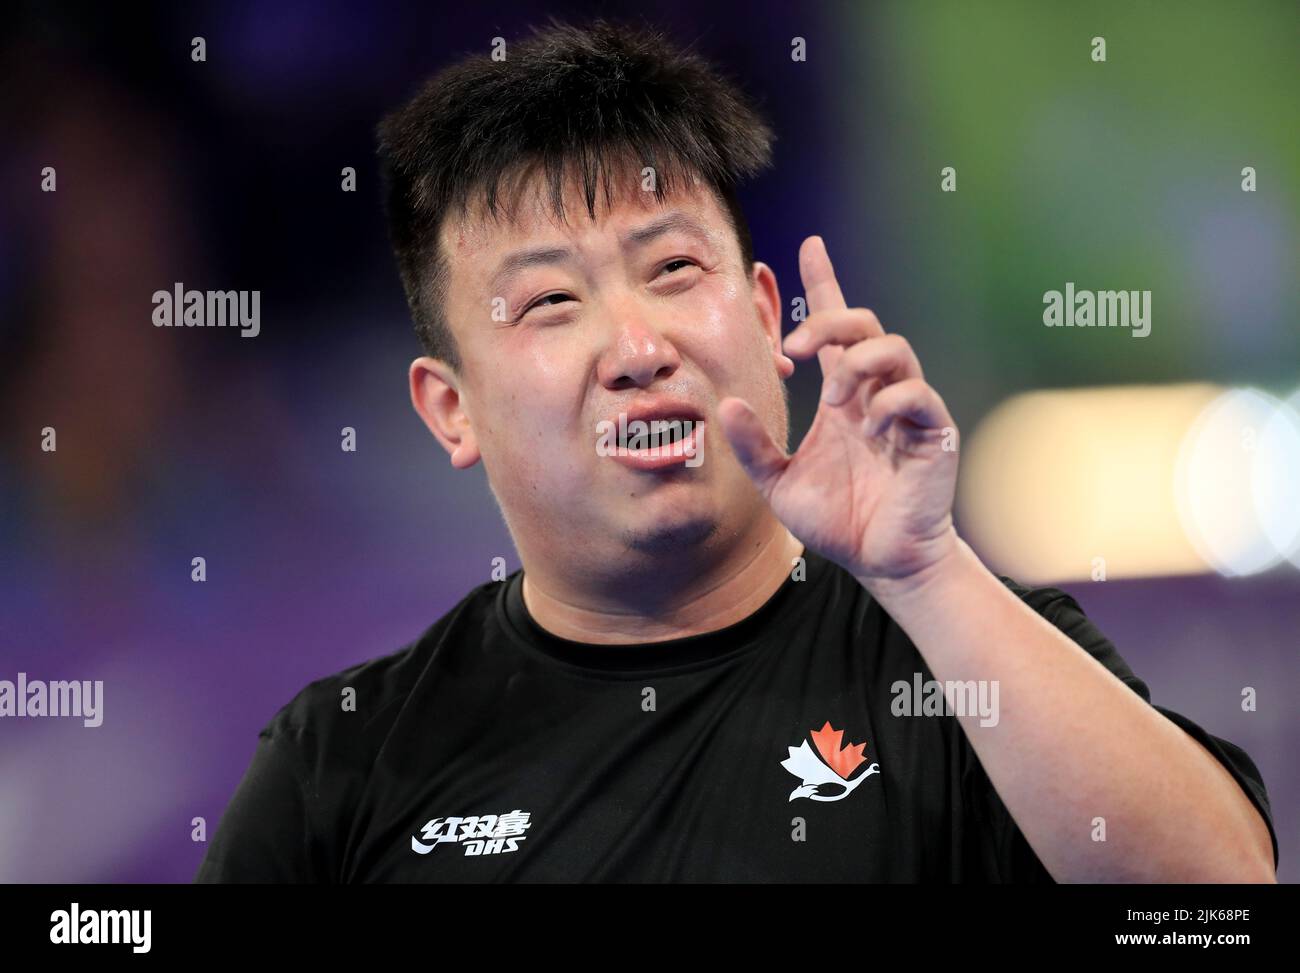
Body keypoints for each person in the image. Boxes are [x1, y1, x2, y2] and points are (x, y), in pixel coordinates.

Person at [194, 17, 1277, 883]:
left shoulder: (958, 655)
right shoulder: (343, 760)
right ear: (449, 410)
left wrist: (925, 568)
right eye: (551, 301)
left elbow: (1214, 896)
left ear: (768, 319)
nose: (636, 345)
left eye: (670, 270)